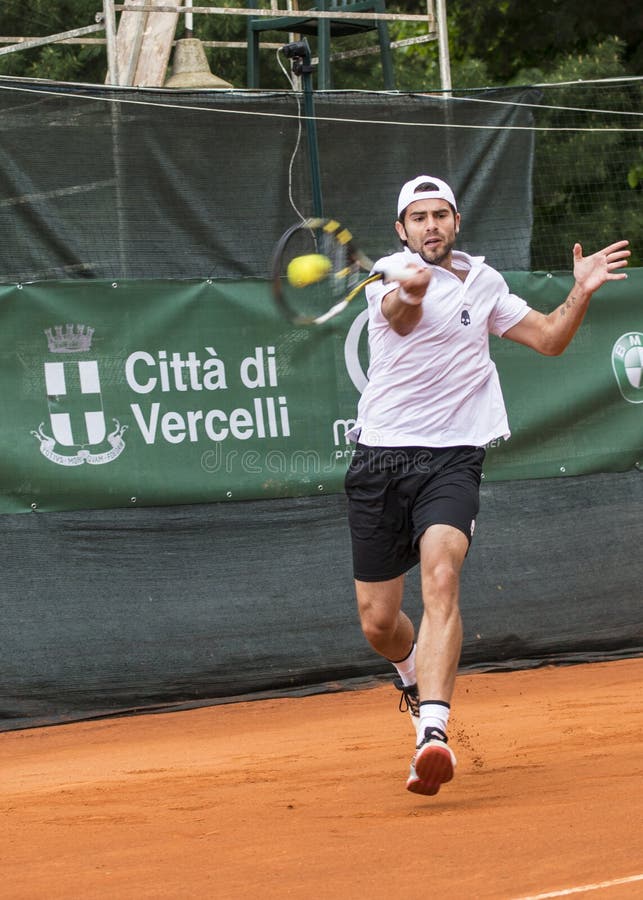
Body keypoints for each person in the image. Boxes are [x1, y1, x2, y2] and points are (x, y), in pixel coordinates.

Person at [344, 175, 630, 797]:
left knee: (441, 574)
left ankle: (433, 732)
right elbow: (403, 312)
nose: (429, 226)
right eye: (417, 217)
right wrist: (411, 286)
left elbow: (550, 340)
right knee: (378, 622)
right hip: (381, 462)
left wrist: (579, 292)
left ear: (456, 221)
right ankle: (409, 669)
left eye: (439, 215)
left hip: (453, 457)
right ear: (401, 230)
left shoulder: (486, 282)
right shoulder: (387, 279)